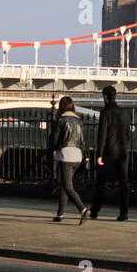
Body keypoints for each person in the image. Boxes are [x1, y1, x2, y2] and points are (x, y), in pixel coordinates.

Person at [90, 87, 130, 221]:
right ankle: (124, 213)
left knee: (101, 182)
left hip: (109, 152)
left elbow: (102, 135)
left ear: (105, 97)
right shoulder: (124, 112)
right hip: (122, 152)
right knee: (123, 183)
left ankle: (95, 211)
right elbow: (128, 133)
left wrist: (99, 154)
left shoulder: (105, 112)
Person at [48, 96, 88, 224]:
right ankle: (60, 214)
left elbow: (55, 139)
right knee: (64, 186)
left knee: (67, 186)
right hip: (78, 155)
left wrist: (51, 149)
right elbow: (82, 140)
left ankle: (82, 209)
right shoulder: (79, 120)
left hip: (66, 155)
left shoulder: (61, 120)